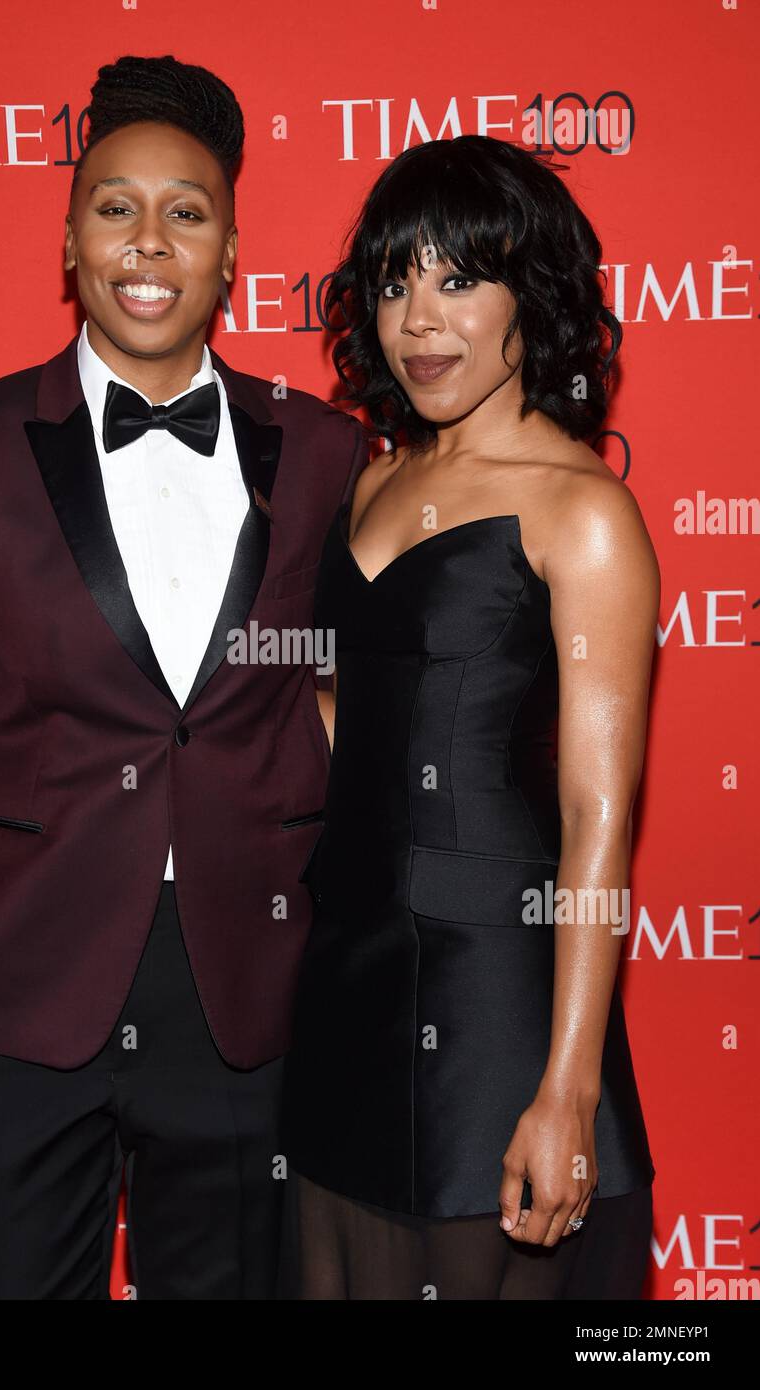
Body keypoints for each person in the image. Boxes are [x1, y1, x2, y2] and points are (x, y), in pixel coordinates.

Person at [0, 53, 367, 1300]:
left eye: (186, 212)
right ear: (71, 237)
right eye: (116, 206)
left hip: (247, 1006)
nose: (150, 241)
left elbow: (346, 705)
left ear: (233, 251)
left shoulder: (325, 454)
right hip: (12, 994)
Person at [278, 134, 658, 1300]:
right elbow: (342, 713)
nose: (419, 321)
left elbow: (599, 818)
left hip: (494, 981)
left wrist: (567, 1088)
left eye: (457, 279)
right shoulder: (371, 480)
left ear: (527, 297)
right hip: (343, 970)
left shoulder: (581, 512)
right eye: (396, 283)